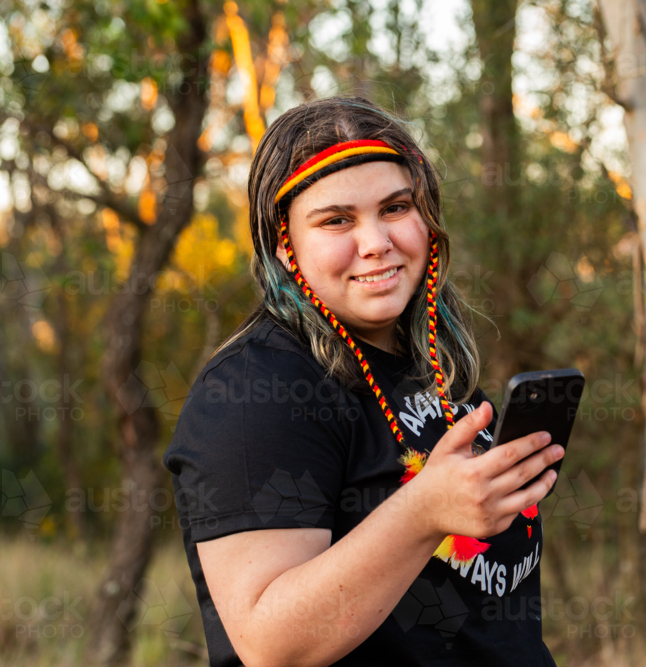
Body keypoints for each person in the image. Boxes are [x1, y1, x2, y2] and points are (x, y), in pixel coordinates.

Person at [162, 95, 564, 667]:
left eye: (395, 208)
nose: (375, 242)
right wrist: (424, 512)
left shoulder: (435, 366)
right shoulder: (256, 392)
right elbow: (271, 644)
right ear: (285, 244)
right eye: (337, 220)